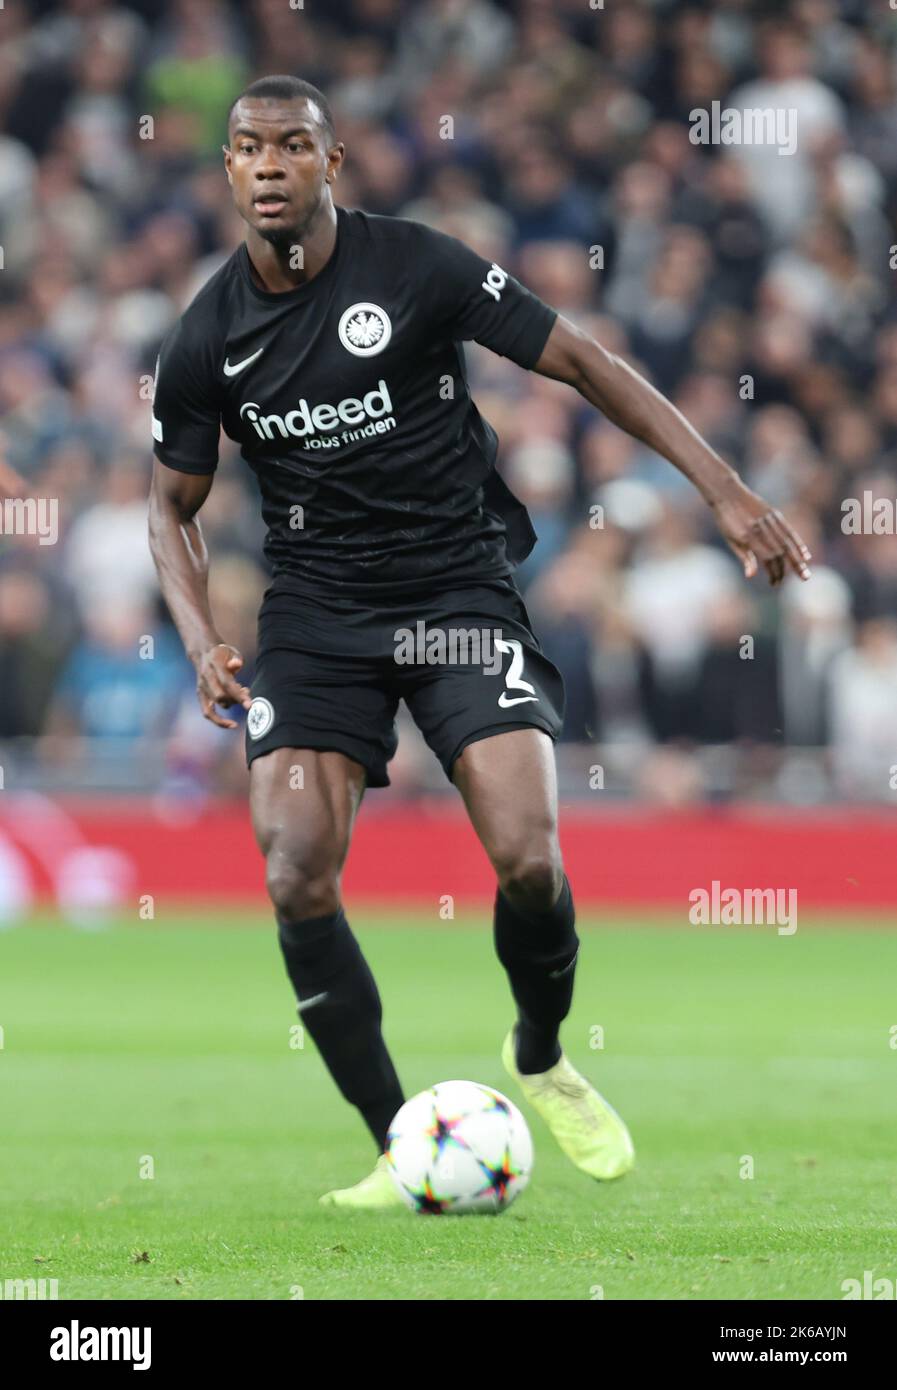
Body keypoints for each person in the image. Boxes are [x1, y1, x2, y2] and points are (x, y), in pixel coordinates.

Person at [147, 75, 811, 1208]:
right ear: (227, 168)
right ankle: (398, 1146)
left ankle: (539, 1051)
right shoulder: (206, 334)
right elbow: (169, 508)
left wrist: (725, 490)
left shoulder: (417, 265)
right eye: (248, 148)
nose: (268, 166)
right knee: (295, 867)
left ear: (331, 163)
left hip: (455, 592)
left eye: (292, 146)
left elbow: (584, 362)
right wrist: (203, 635)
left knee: (530, 860)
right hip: (316, 617)